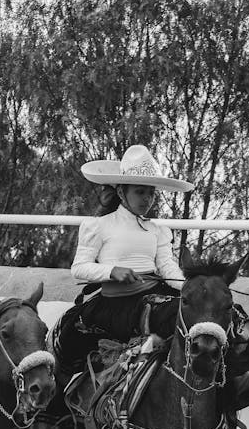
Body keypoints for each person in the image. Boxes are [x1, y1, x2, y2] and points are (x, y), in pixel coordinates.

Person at [52, 144, 192, 373]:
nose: (147, 199)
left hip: (155, 295)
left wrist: (188, 288)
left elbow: (167, 266)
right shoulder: (99, 226)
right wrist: (111, 271)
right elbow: (79, 268)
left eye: (151, 193)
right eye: (140, 192)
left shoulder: (158, 230)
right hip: (118, 305)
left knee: (199, 310)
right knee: (175, 316)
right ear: (121, 192)